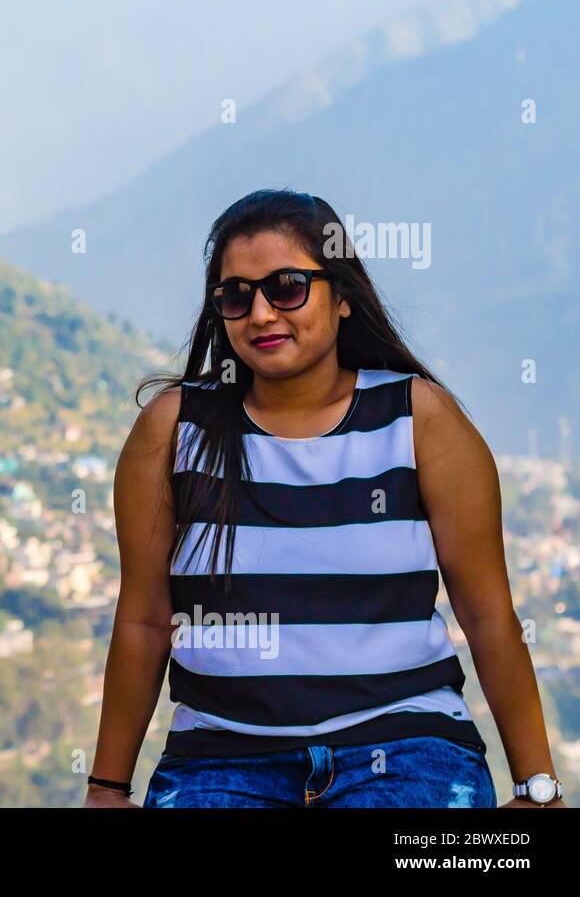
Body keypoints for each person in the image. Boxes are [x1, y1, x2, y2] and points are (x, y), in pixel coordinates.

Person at [84, 189, 565, 808]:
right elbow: (145, 620)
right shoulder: (175, 430)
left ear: (341, 297)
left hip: (405, 752)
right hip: (222, 761)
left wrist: (537, 787)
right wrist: (107, 788)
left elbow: (489, 615)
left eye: (286, 287)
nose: (260, 313)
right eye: (236, 295)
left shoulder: (419, 418)